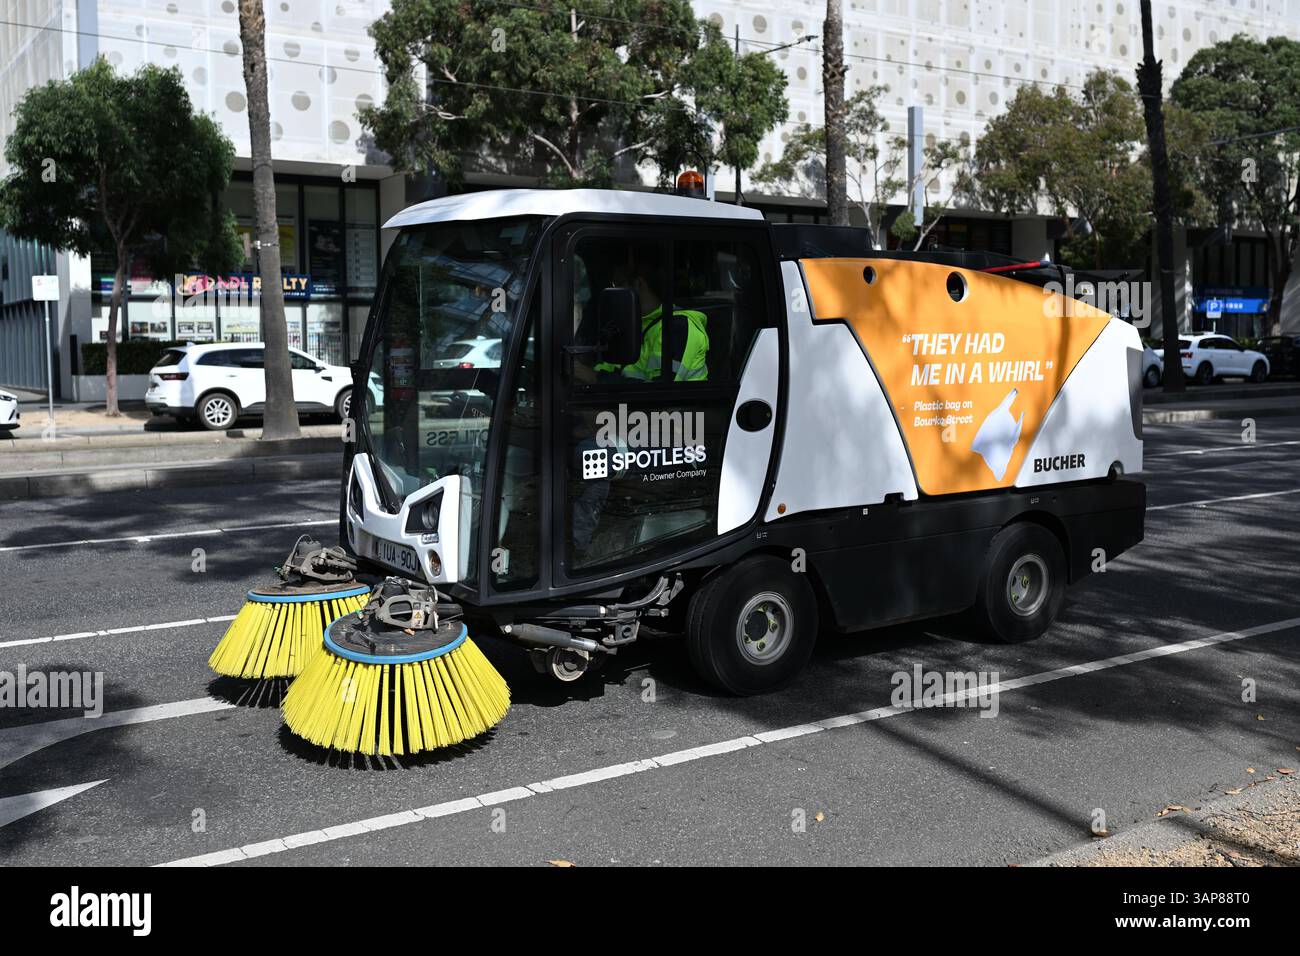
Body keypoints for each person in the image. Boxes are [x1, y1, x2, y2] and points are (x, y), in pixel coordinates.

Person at [594, 243, 709, 383]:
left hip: (675, 405)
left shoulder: (677, 327)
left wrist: (594, 379)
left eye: (617, 284)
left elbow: (659, 391)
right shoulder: (634, 324)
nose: (614, 291)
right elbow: (607, 368)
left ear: (638, 284)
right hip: (627, 405)